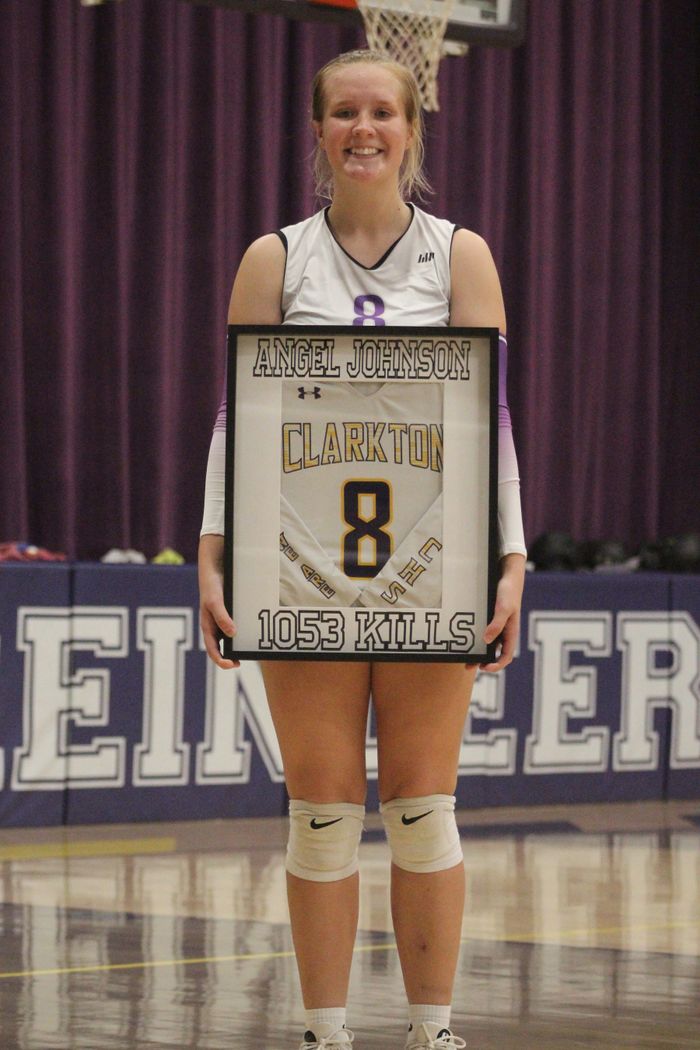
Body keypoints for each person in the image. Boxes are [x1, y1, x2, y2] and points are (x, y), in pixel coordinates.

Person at [199, 49, 526, 1050]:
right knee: (323, 814)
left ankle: (433, 1033)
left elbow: (492, 423)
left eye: (382, 111)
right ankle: (324, 1032)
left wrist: (509, 561)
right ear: (317, 131)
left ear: (412, 128)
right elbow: (236, 422)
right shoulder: (276, 260)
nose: (364, 129)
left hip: (433, 564)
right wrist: (212, 555)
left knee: (425, 807)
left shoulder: (460, 255)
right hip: (300, 563)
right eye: (344, 113)